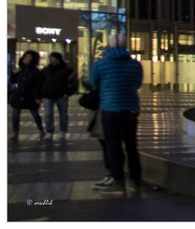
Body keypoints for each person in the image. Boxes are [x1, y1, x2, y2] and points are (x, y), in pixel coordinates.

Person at [90, 33, 143, 191]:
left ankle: (119, 181)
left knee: (113, 146)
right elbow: (137, 84)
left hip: (110, 108)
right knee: (131, 146)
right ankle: (136, 181)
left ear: (109, 45)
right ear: (126, 45)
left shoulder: (100, 64)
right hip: (130, 109)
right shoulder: (135, 64)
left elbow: (94, 83)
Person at [39, 51, 77, 137]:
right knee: (48, 114)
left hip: (61, 95)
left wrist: (68, 93)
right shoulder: (46, 70)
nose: (51, 60)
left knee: (63, 115)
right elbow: (40, 83)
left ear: (58, 59)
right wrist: (40, 95)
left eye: (53, 58)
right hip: (47, 95)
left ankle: (63, 130)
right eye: (50, 58)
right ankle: (49, 131)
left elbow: (74, 83)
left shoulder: (67, 70)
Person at [9, 50, 45, 140]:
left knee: (35, 113)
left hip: (30, 95)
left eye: (29, 57)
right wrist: (14, 73)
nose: (26, 59)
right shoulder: (20, 69)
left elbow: (38, 85)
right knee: (15, 114)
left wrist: (38, 97)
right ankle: (15, 132)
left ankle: (41, 130)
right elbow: (13, 80)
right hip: (19, 94)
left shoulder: (36, 72)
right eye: (25, 57)